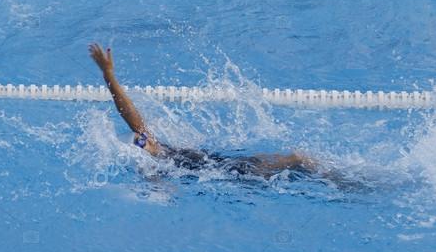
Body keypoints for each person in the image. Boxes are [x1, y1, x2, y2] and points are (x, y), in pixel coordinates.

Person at [89, 43, 326, 180]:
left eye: (141, 141)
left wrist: (108, 75)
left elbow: (130, 117)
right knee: (296, 160)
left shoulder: (158, 154)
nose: (145, 140)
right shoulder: (161, 157)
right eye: (142, 142)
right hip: (229, 165)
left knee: (296, 161)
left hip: (236, 171)